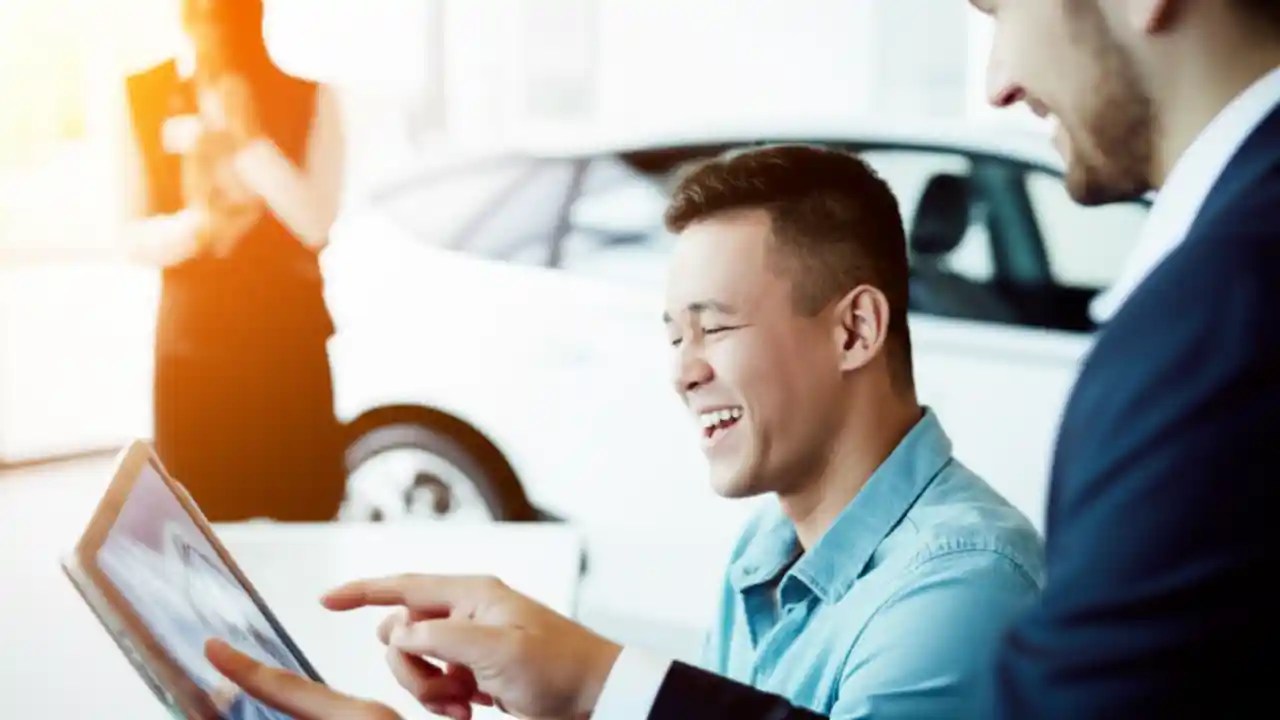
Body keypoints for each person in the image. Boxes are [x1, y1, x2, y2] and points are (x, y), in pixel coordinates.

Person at [202, 0, 1280, 716]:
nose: (681, 369)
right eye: (672, 333)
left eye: (712, 326)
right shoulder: (764, 552)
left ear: (854, 330)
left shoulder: (957, 591)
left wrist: (593, 683)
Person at [121, 0, 346, 521]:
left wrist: (247, 139)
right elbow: (130, 236)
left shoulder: (311, 97)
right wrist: (202, 226)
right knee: (198, 522)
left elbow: (315, 224)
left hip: (289, 350)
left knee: (303, 514)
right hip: (192, 353)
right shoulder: (141, 94)